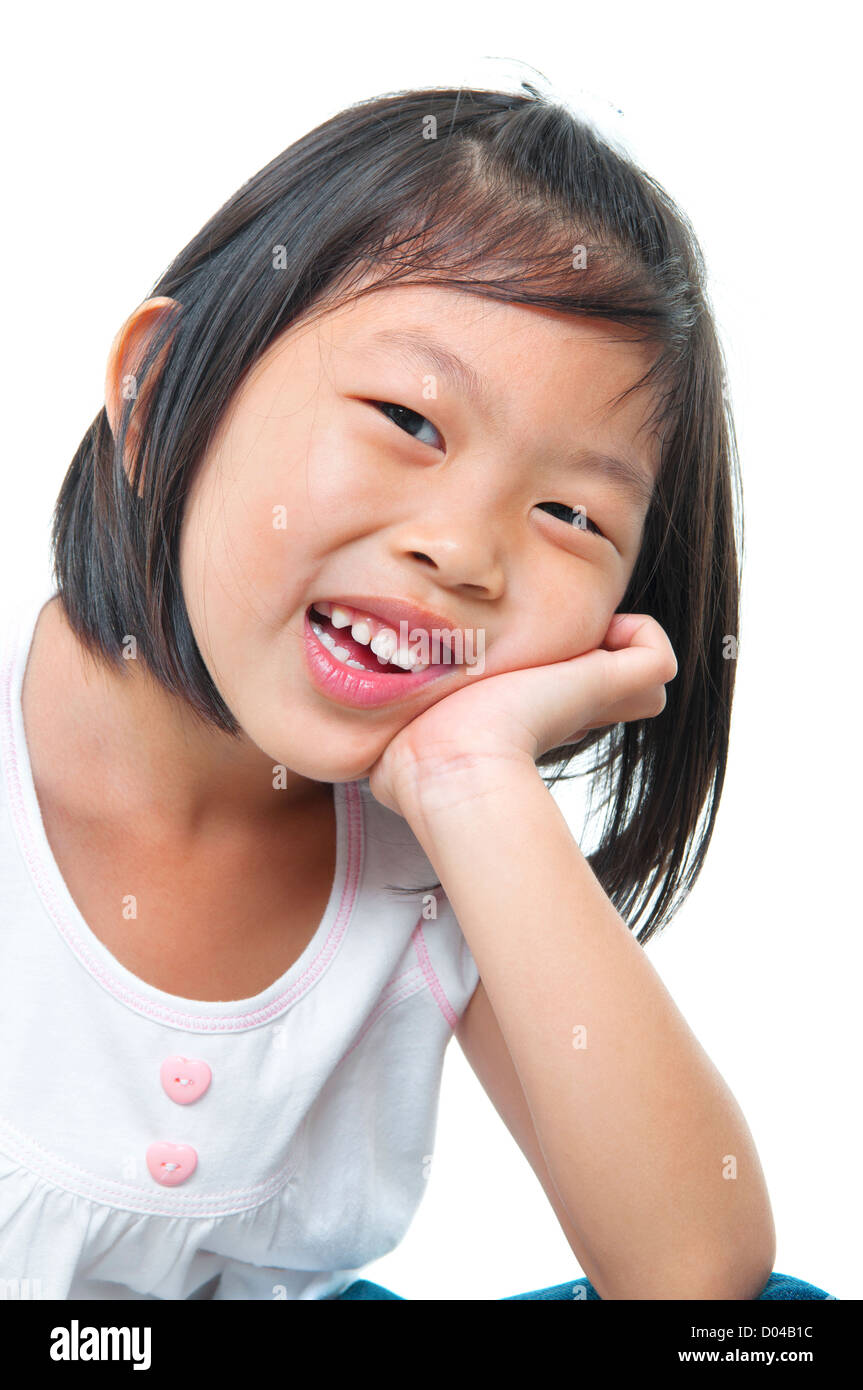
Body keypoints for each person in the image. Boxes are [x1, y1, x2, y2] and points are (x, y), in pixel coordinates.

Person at [0, 83, 836, 1301]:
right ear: (159, 391)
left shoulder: (427, 862)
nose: (463, 551)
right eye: (408, 418)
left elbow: (691, 1282)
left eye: (569, 514)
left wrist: (469, 779)